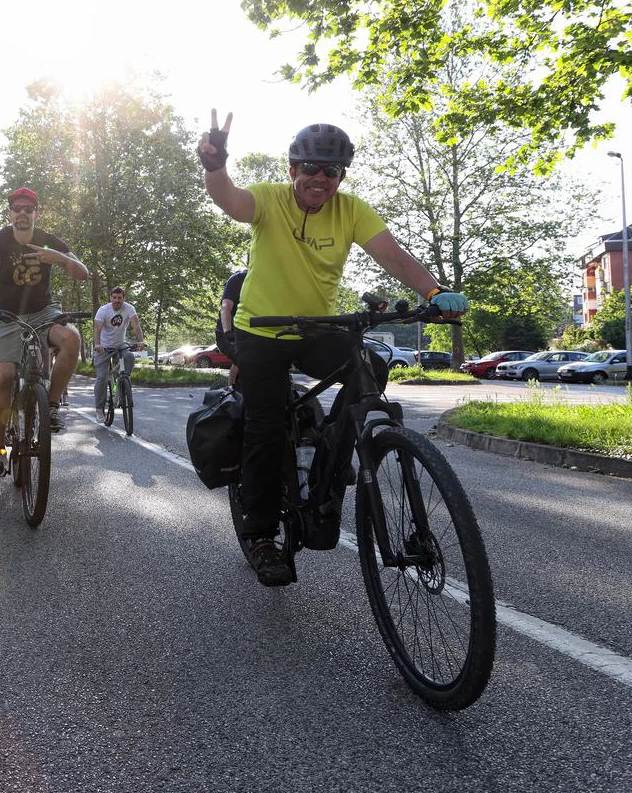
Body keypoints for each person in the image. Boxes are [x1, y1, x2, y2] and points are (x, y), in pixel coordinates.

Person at [197, 112, 467, 587]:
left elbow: (392, 254)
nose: (320, 179)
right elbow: (231, 202)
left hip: (317, 327)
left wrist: (432, 291)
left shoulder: (352, 210)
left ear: (341, 177)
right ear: (291, 171)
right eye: (310, 169)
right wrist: (216, 165)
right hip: (261, 331)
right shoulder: (269, 199)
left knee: (372, 367)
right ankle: (262, 537)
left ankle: (334, 454)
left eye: (332, 171)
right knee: (263, 427)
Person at [0, 187, 89, 477]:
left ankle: (51, 405)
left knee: (72, 339)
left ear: (36, 213)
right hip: (6, 315)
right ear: (10, 213)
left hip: (44, 312)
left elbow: (83, 273)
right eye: (18, 207)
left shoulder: (49, 241)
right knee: (2, 377)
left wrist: (59, 258)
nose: (23, 212)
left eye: (29, 208)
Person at [92, 286, 145, 415]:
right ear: (111, 298)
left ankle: (123, 384)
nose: (117, 300)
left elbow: (136, 326)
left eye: (119, 298)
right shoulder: (103, 310)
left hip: (120, 345)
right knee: (102, 378)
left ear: (123, 298)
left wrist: (141, 341)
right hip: (103, 348)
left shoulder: (129, 308)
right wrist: (97, 344)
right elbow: (97, 329)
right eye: (114, 297)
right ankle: (99, 409)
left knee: (130, 357)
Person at [216, 267, 247, 386]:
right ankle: (231, 391)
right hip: (228, 332)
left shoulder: (267, 281)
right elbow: (226, 307)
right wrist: (228, 332)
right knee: (243, 358)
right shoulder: (238, 279)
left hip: (251, 333)